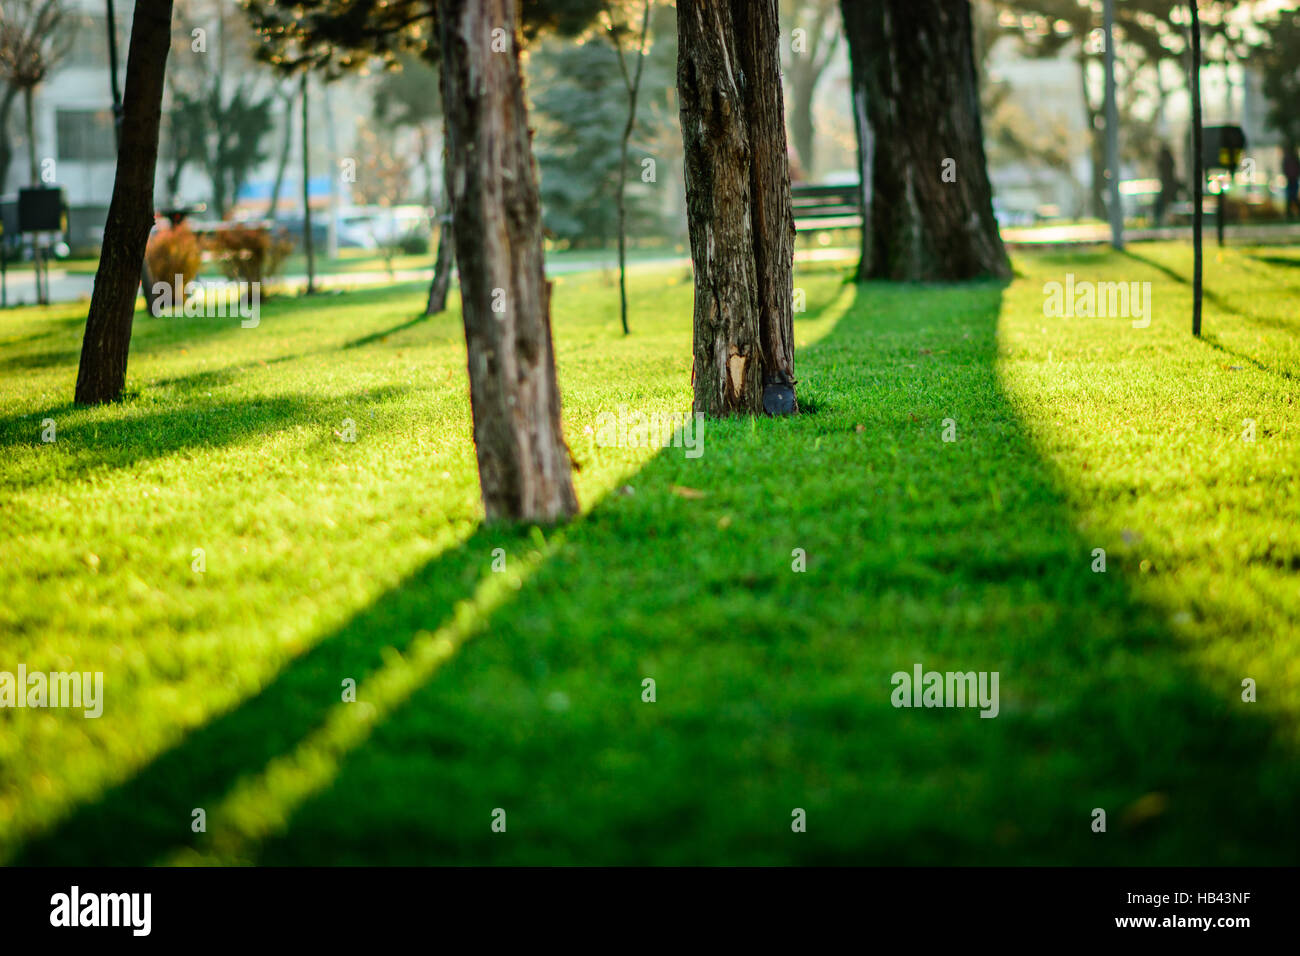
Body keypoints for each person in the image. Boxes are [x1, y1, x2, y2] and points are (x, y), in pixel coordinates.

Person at [1155, 143, 1179, 227]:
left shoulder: (1164, 162)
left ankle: (1169, 220)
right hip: (1168, 186)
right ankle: (1165, 220)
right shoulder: (1168, 161)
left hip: (1167, 186)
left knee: (1166, 203)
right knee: (1166, 204)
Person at [1283, 144, 1300, 221]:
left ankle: (1289, 213)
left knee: (1292, 196)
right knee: (1291, 197)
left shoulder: (1292, 158)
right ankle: (1289, 214)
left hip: (1293, 179)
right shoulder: (1290, 158)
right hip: (1291, 179)